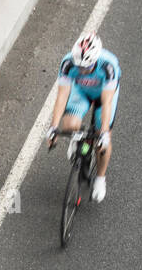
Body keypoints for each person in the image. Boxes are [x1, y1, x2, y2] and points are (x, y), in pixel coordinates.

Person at [45, 32, 120, 202]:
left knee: (103, 142)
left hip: (104, 95)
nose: (82, 70)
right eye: (79, 67)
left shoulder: (108, 66)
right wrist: (53, 127)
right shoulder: (68, 63)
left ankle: (100, 178)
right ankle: (77, 139)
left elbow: (107, 102)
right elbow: (62, 96)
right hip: (81, 92)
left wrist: (104, 133)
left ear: (95, 60)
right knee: (70, 124)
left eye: (86, 67)